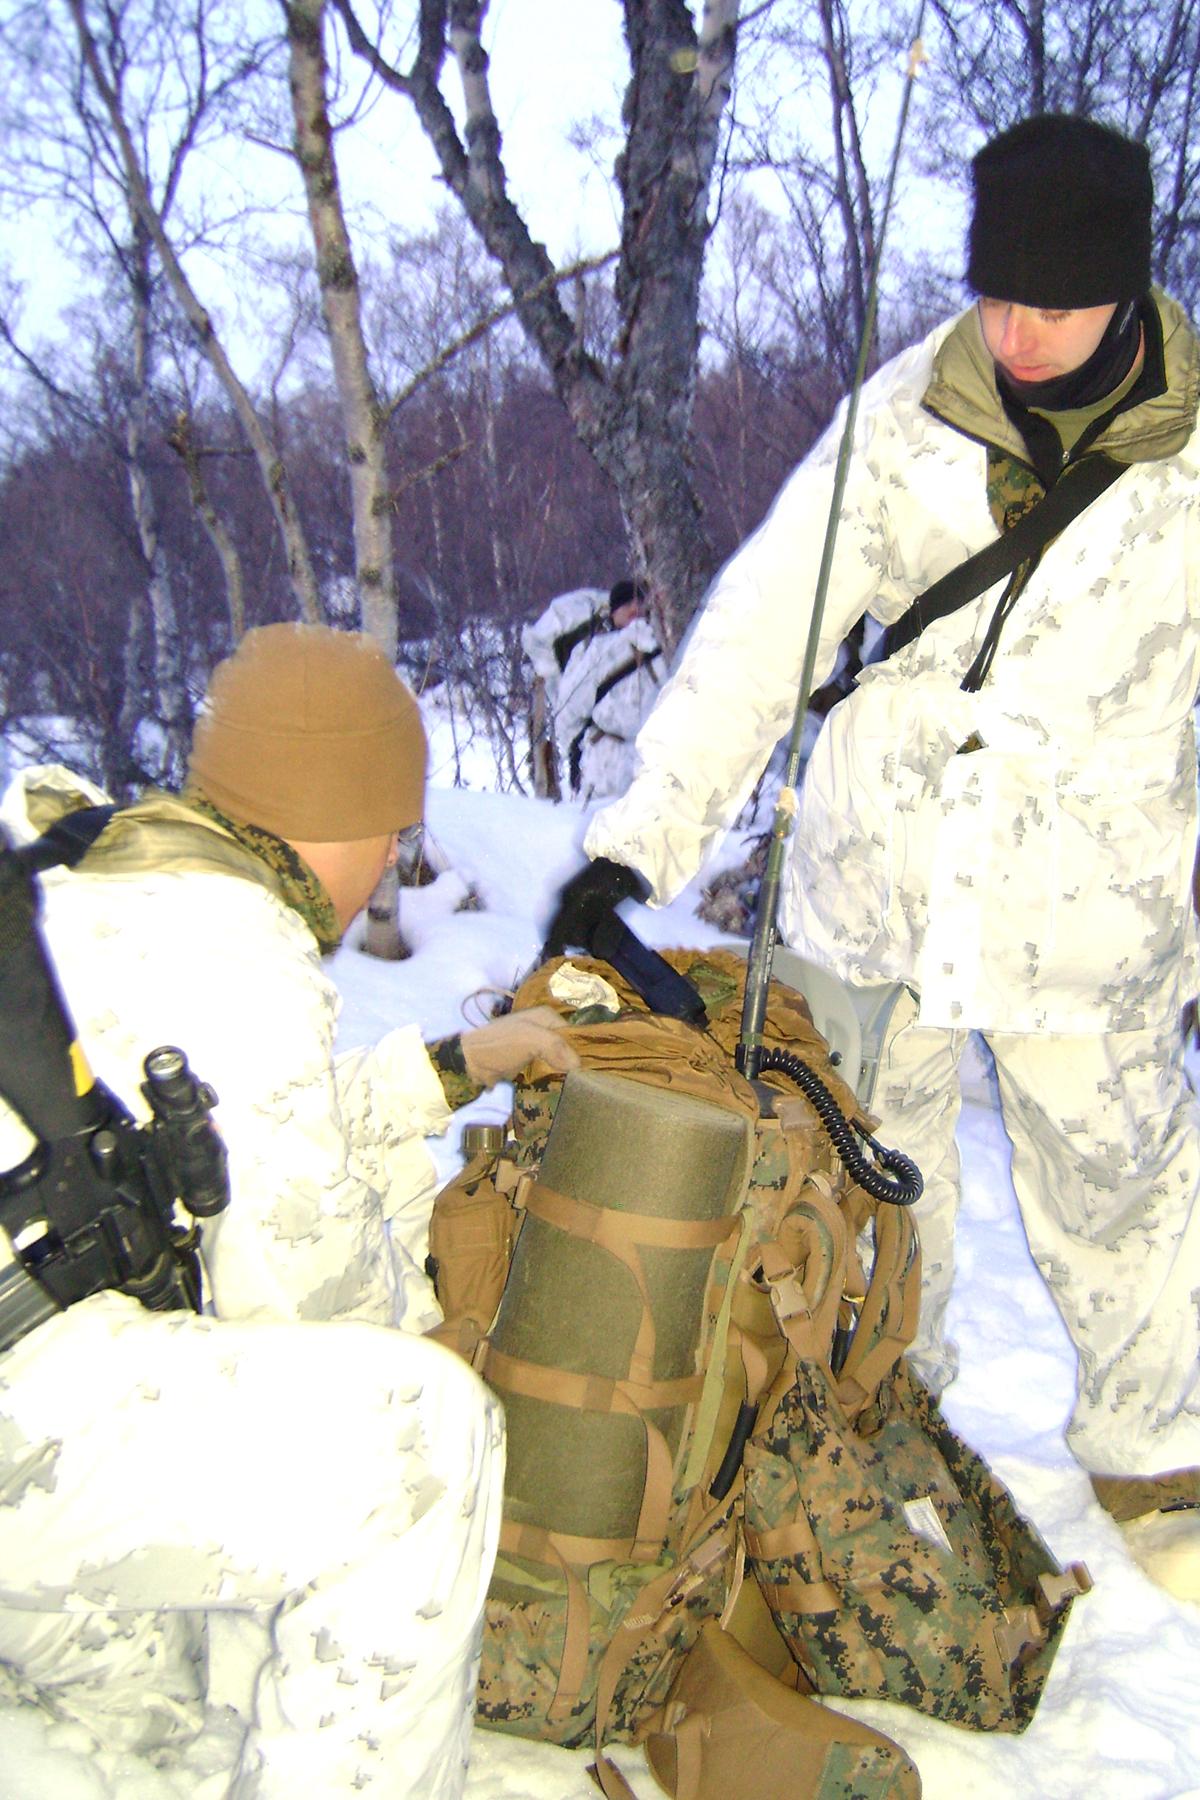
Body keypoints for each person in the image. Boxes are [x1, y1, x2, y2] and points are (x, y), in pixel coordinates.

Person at [559, 116, 1200, 1595]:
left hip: (1088, 899)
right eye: (996, 295)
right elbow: (764, 623)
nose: (1016, 330)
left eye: (1053, 301)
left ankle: (1153, 1451)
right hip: (878, 878)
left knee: (1120, 1175)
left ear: (1125, 287)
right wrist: (640, 845)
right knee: (864, 1171)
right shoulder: (909, 409)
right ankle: (873, 1411)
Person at [0, 624, 577, 1797]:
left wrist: (452, 1063)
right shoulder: (235, 957)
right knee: (426, 1443)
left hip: (32, 1361)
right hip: (28, 1431)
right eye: (395, 832)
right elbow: (315, 1300)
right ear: (358, 820)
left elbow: (217, 1138)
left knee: (162, 1720)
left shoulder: (100, 875)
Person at [523, 580, 666, 801]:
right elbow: (570, 707)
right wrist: (580, 749)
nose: (634, 608)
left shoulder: (663, 645)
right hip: (606, 763)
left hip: (654, 759)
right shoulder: (594, 650)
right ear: (613, 610)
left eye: (639, 602)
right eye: (626, 603)